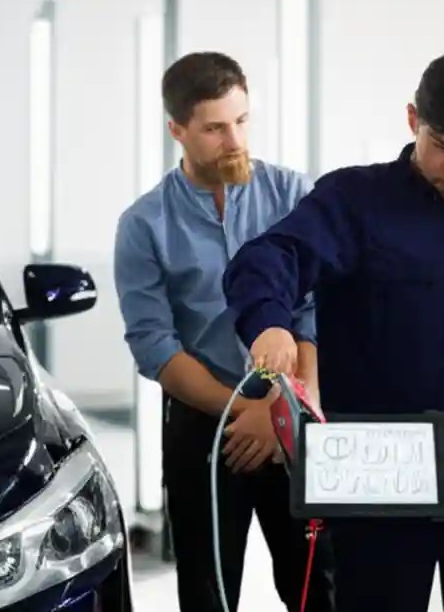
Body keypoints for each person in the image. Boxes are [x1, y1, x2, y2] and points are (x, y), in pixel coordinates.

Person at [222, 47, 444, 612]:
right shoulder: (353, 202)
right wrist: (269, 324)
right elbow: (268, 257)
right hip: (375, 488)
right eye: (441, 146)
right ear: (412, 119)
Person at [113, 51, 334, 612]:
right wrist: (245, 413)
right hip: (204, 420)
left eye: (241, 120)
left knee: (318, 586)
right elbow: (154, 344)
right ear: (177, 130)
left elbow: (313, 309)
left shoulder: (292, 195)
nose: (234, 140)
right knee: (207, 592)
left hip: (294, 411)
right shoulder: (144, 224)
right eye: (214, 128)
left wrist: (290, 407)